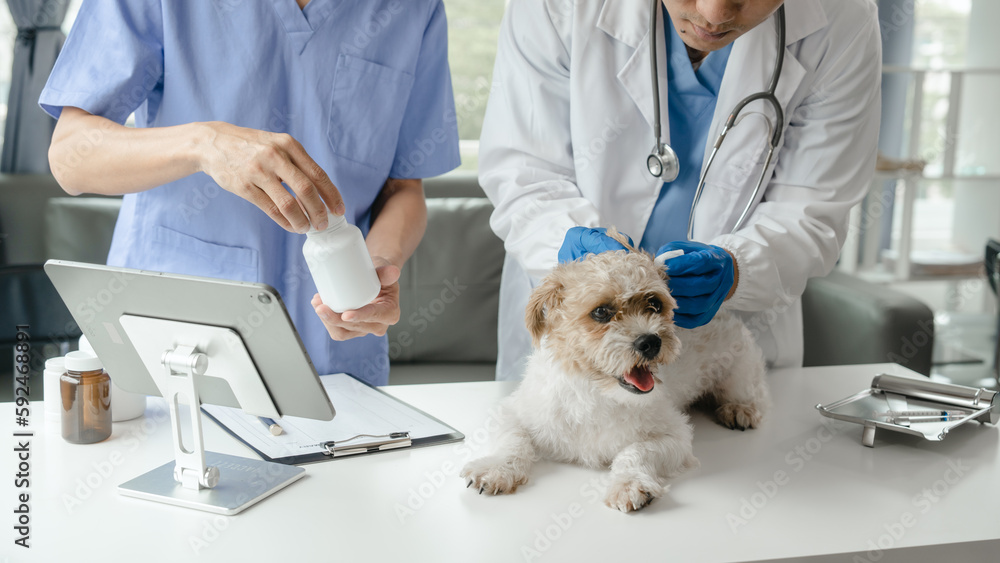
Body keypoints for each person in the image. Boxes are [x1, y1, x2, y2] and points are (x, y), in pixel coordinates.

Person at [40, 0, 460, 386]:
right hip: (178, 347)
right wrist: (204, 144)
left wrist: (380, 265)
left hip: (337, 357)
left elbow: (404, 187)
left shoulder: (412, 9)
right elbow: (70, 158)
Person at [479, 0, 881, 380]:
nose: (714, 14)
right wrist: (572, 256)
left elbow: (814, 209)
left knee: (737, 445)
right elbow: (525, 170)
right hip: (579, 343)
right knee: (560, 441)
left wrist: (739, 269)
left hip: (733, 342)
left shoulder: (840, 17)